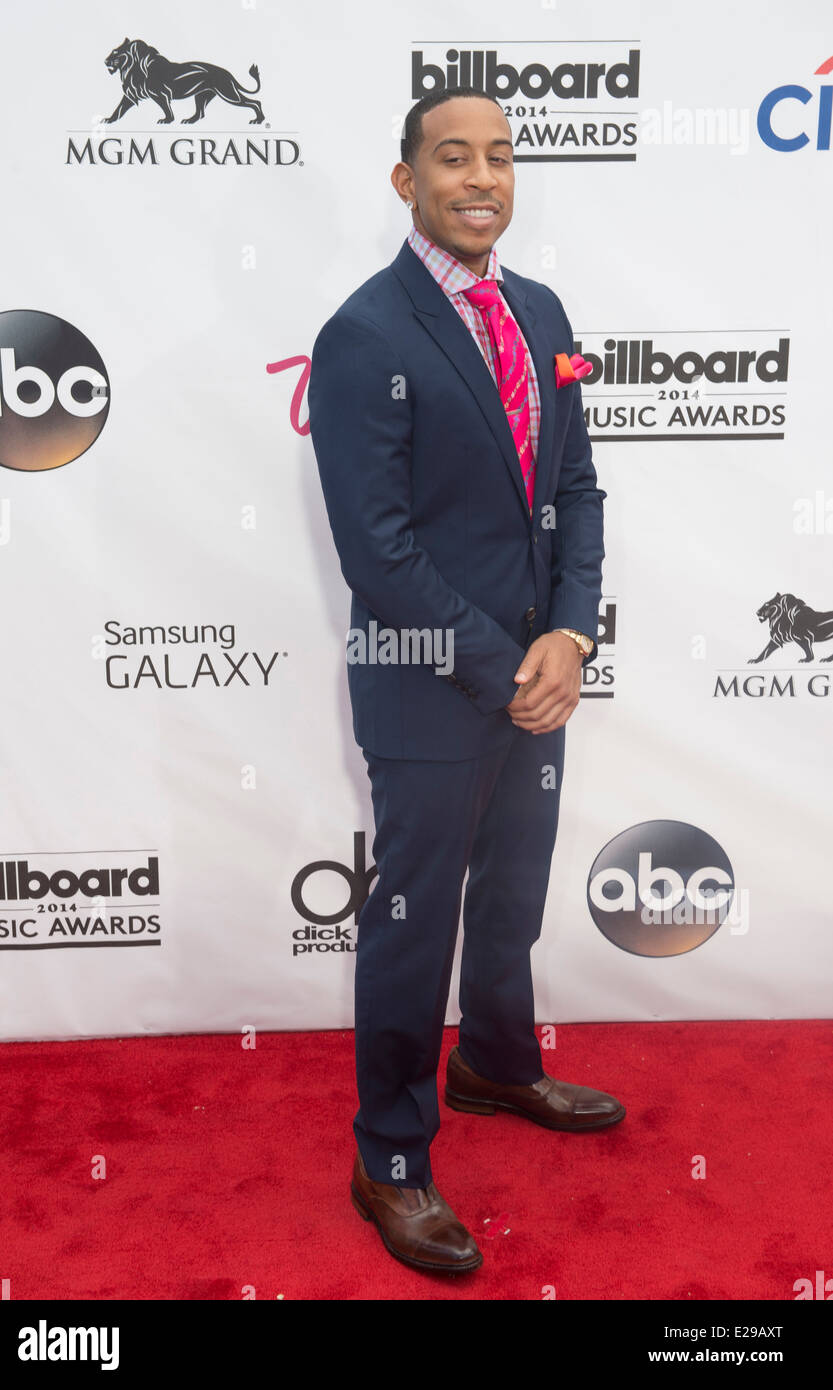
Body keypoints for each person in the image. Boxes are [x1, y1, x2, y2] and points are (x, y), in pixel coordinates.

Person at [307, 87, 624, 1276]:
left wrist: (571, 638)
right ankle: (387, 1155)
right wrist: (507, 668)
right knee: (411, 920)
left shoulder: (539, 309)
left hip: (534, 675)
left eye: (499, 155)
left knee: (511, 893)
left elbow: (578, 491)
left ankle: (494, 1059)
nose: (481, 176)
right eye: (453, 157)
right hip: (427, 682)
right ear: (405, 180)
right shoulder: (365, 334)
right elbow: (378, 552)